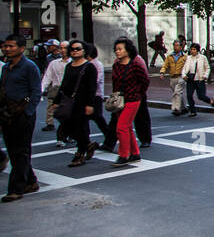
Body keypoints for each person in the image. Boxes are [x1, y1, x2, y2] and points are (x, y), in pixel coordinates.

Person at [1, 34, 43, 202]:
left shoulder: (29, 66)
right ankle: (31, 181)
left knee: (21, 151)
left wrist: (28, 112)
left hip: (23, 114)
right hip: (7, 114)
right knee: (14, 151)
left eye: (11, 46)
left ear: (21, 48)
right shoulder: (6, 67)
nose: (7, 49)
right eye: (6, 46)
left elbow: (36, 91)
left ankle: (16, 189)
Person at [58, 40, 100, 167]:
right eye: (72, 49)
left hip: (83, 102)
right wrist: (57, 100)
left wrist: (90, 105)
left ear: (84, 50)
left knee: (81, 128)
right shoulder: (69, 66)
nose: (75, 51)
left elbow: (92, 88)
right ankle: (88, 144)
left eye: (78, 49)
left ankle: (79, 154)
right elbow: (64, 84)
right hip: (69, 102)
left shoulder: (89, 67)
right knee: (68, 127)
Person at [108, 38, 148, 167]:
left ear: (128, 50)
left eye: (120, 49)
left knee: (121, 127)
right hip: (120, 99)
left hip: (133, 99)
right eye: (116, 49)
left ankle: (124, 155)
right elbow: (115, 82)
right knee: (127, 127)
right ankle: (135, 153)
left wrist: (138, 94)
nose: (117, 52)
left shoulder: (136, 64)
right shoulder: (116, 65)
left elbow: (145, 81)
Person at [39, 40, 67, 134]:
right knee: (51, 106)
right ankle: (50, 123)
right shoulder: (53, 62)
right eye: (61, 48)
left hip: (69, 90)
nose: (63, 50)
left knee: (66, 111)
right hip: (56, 87)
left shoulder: (73, 62)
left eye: (65, 48)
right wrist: (41, 89)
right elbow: (48, 76)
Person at [182, 43, 214, 116]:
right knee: (189, 95)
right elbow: (184, 68)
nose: (192, 51)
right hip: (190, 80)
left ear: (197, 50)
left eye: (194, 49)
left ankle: (210, 100)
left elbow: (207, 68)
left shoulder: (202, 58)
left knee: (201, 96)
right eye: (191, 49)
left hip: (200, 79)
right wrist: (184, 75)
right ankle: (193, 111)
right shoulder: (188, 58)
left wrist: (205, 75)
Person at [161, 39, 188, 116]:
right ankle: (184, 108)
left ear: (181, 47)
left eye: (177, 45)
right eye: (174, 45)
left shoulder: (185, 57)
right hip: (172, 77)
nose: (175, 47)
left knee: (177, 92)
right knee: (177, 93)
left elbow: (188, 66)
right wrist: (162, 72)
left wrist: (186, 75)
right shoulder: (170, 56)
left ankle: (176, 109)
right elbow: (165, 65)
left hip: (181, 76)